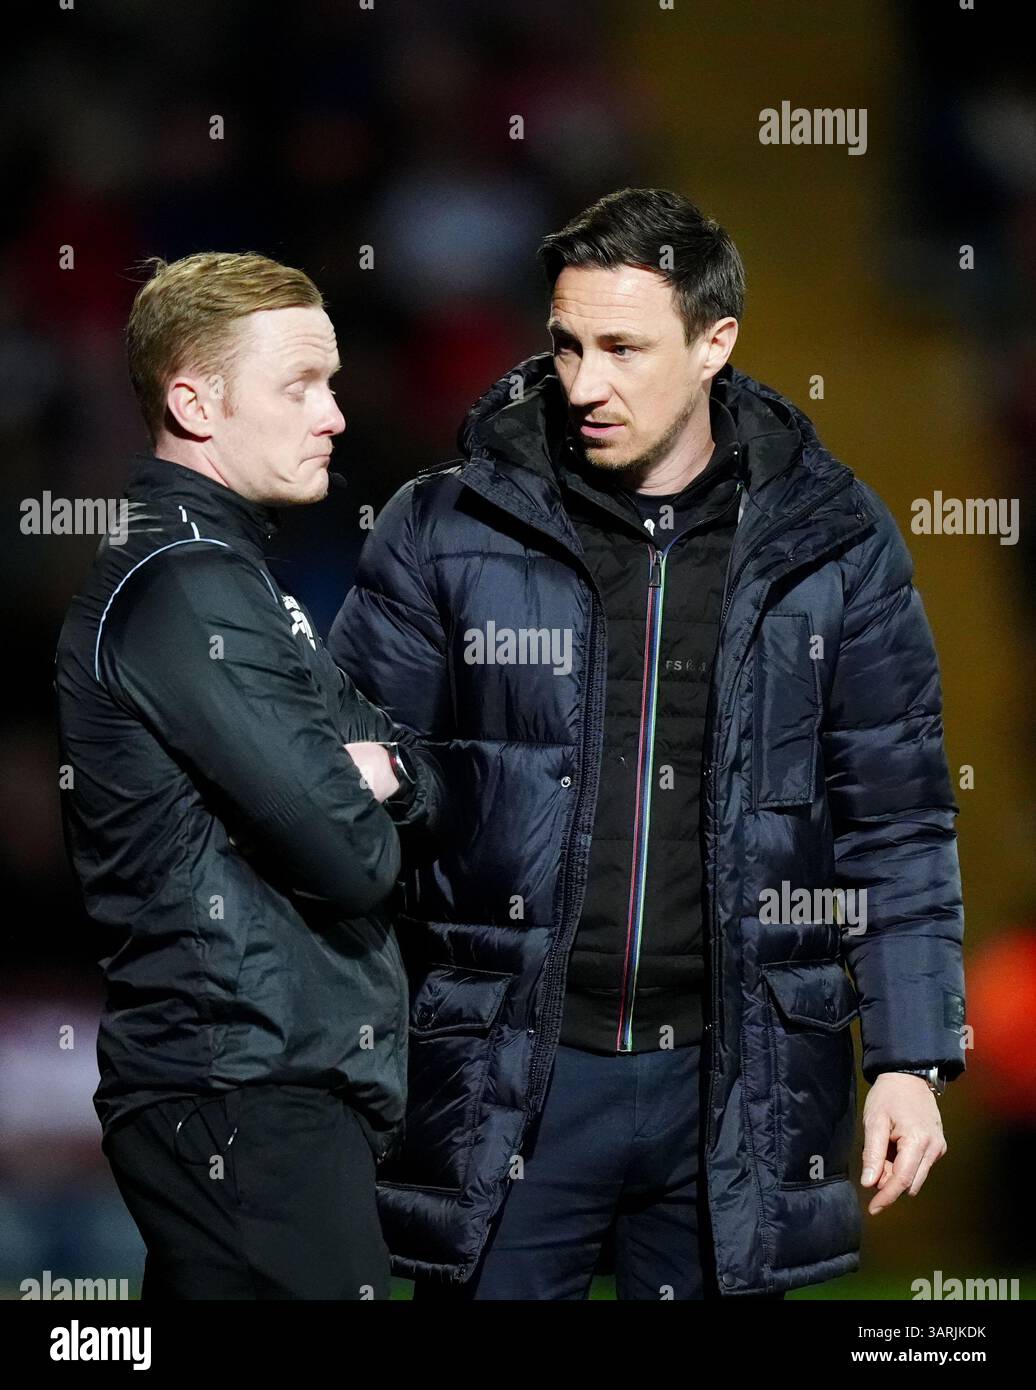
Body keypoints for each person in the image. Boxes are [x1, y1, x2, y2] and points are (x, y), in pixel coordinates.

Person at [328, 188, 966, 1300]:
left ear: (716, 342)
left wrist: (912, 1057)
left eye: (623, 347)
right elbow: (346, 793)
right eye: (566, 344)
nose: (583, 383)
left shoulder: (837, 540)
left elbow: (896, 813)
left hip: (737, 1085)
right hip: (498, 1080)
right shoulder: (441, 526)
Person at [55, 251, 444, 1300]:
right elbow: (355, 856)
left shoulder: (233, 579)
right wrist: (365, 784)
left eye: (333, 384)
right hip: (245, 1088)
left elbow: (409, 772)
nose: (335, 417)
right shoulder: (183, 586)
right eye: (300, 386)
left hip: (267, 1086)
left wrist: (385, 776)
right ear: (193, 399)